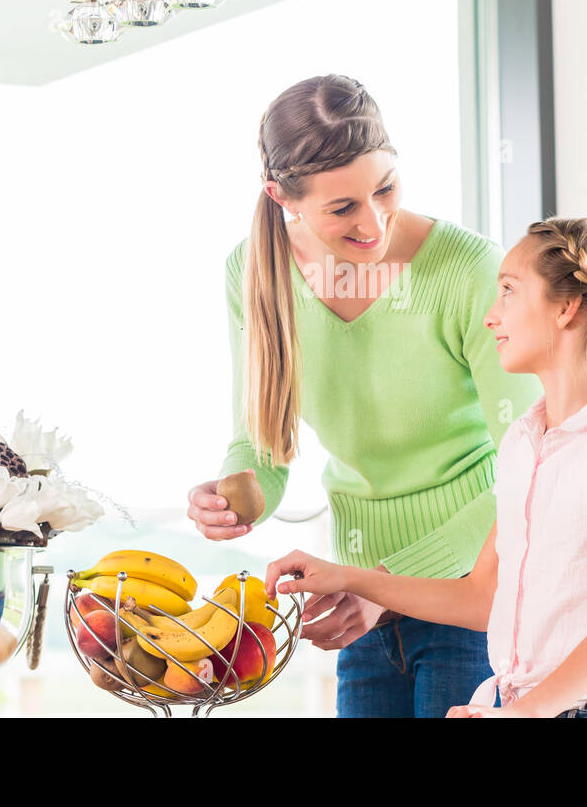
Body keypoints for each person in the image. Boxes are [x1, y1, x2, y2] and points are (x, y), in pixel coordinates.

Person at [186, 74, 542, 718]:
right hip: (359, 604)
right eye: (342, 207)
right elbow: (261, 440)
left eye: (385, 188)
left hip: (473, 594)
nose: (374, 222)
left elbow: (531, 464)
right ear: (281, 197)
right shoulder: (253, 272)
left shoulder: (469, 271)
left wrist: (384, 586)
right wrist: (232, 496)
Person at [266, 216, 587, 716]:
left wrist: (521, 713)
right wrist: (347, 577)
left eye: (507, 291)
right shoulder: (522, 443)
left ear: (565, 308)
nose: (490, 316)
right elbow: (480, 598)